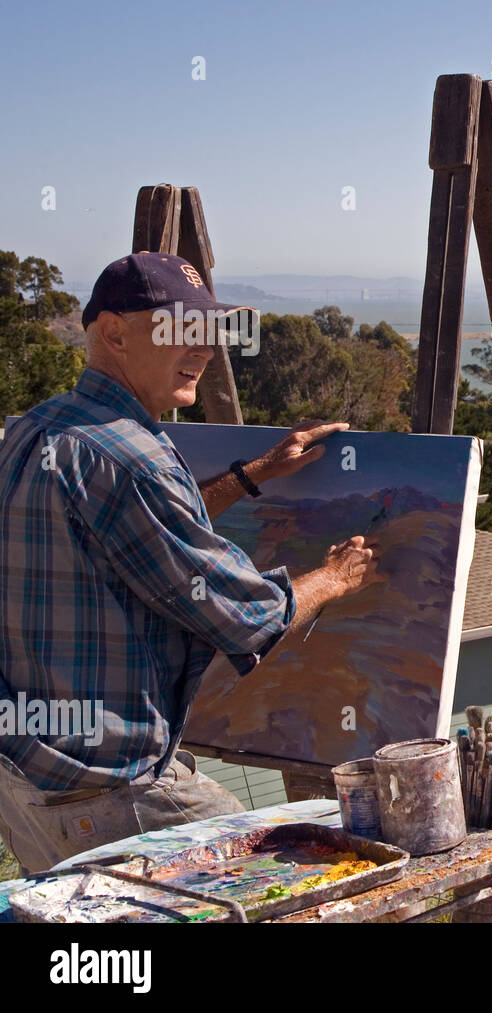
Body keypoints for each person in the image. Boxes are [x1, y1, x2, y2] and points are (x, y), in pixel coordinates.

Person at [0, 252, 382, 875]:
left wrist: (252, 475)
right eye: (183, 329)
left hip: (26, 781)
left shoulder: (36, 429)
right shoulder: (132, 455)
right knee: (315, 879)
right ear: (115, 333)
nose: (205, 349)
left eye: (209, 331)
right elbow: (244, 615)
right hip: (113, 792)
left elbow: (138, 538)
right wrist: (333, 578)